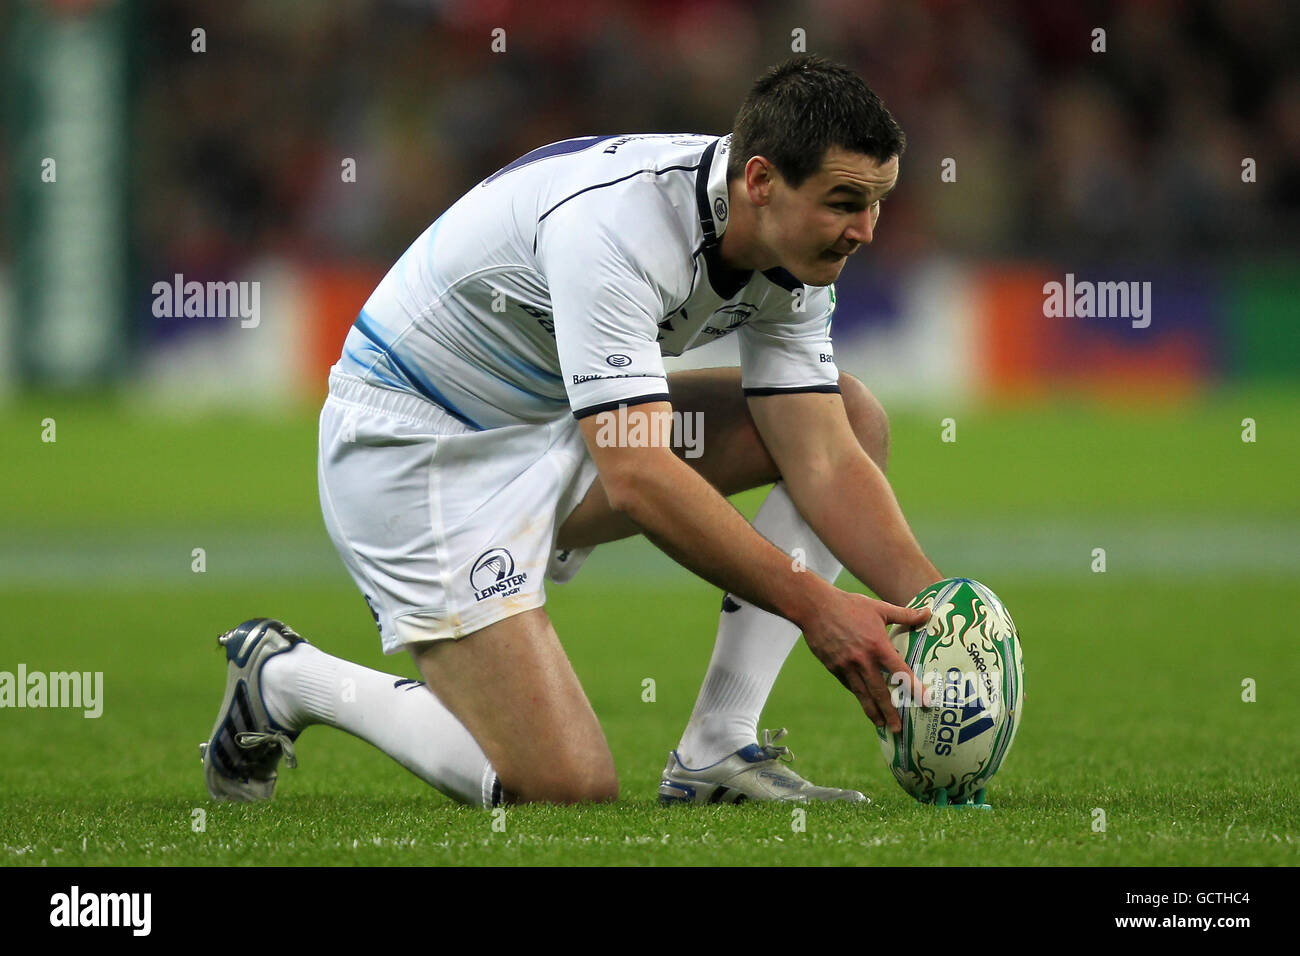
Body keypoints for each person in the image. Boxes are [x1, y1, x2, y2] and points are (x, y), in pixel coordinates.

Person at [200, 54, 940, 808]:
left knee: (848, 417)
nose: (865, 230)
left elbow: (819, 455)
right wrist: (817, 606)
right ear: (759, 181)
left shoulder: (795, 247)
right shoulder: (619, 227)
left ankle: (720, 749)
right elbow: (640, 476)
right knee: (564, 788)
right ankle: (286, 679)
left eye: (877, 202)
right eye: (846, 201)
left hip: (559, 429)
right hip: (417, 454)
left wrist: (947, 611)